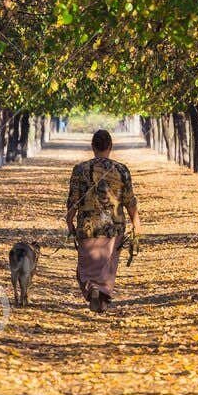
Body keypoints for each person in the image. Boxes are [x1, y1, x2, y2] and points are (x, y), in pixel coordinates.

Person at [66, 129, 139, 312]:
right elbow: (129, 200)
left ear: (93, 146)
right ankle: (103, 293)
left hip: (87, 226)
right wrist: (136, 223)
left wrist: (70, 221)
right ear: (110, 146)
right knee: (108, 264)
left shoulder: (80, 169)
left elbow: (74, 201)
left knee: (86, 266)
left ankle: (93, 289)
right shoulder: (121, 170)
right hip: (113, 228)